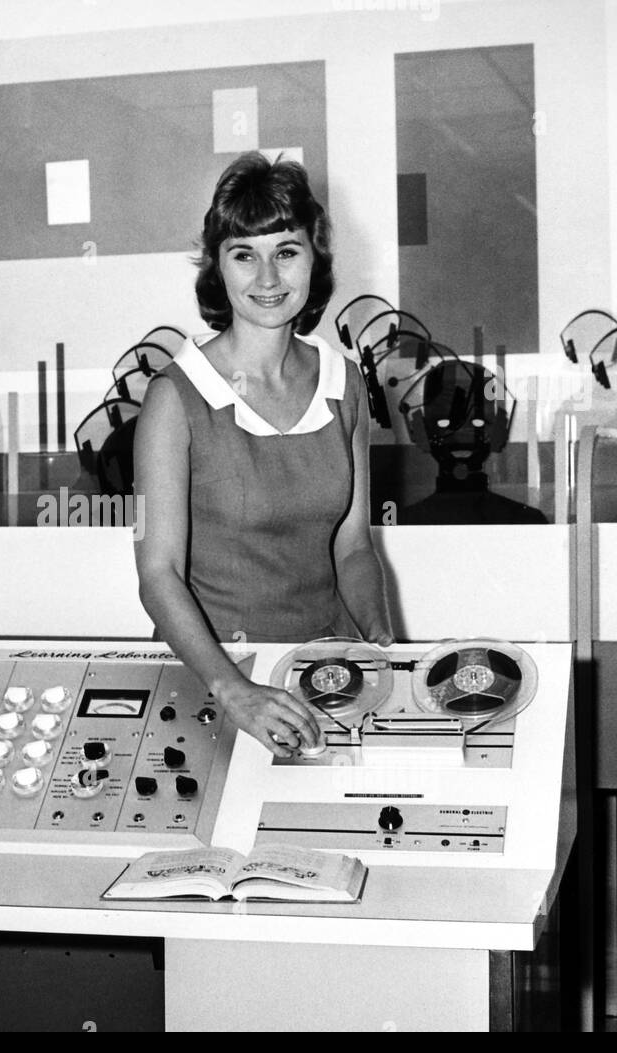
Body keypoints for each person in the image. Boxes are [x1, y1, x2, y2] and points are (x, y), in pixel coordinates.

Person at [133, 152, 393, 757]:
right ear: (217, 268)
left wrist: (382, 642)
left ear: (314, 258)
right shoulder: (175, 396)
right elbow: (157, 574)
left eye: (287, 250)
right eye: (244, 254)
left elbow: (352, 546)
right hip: (212, 683)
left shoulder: (343, 381)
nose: (268, 277)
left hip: (322, 678)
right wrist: (235, 689)